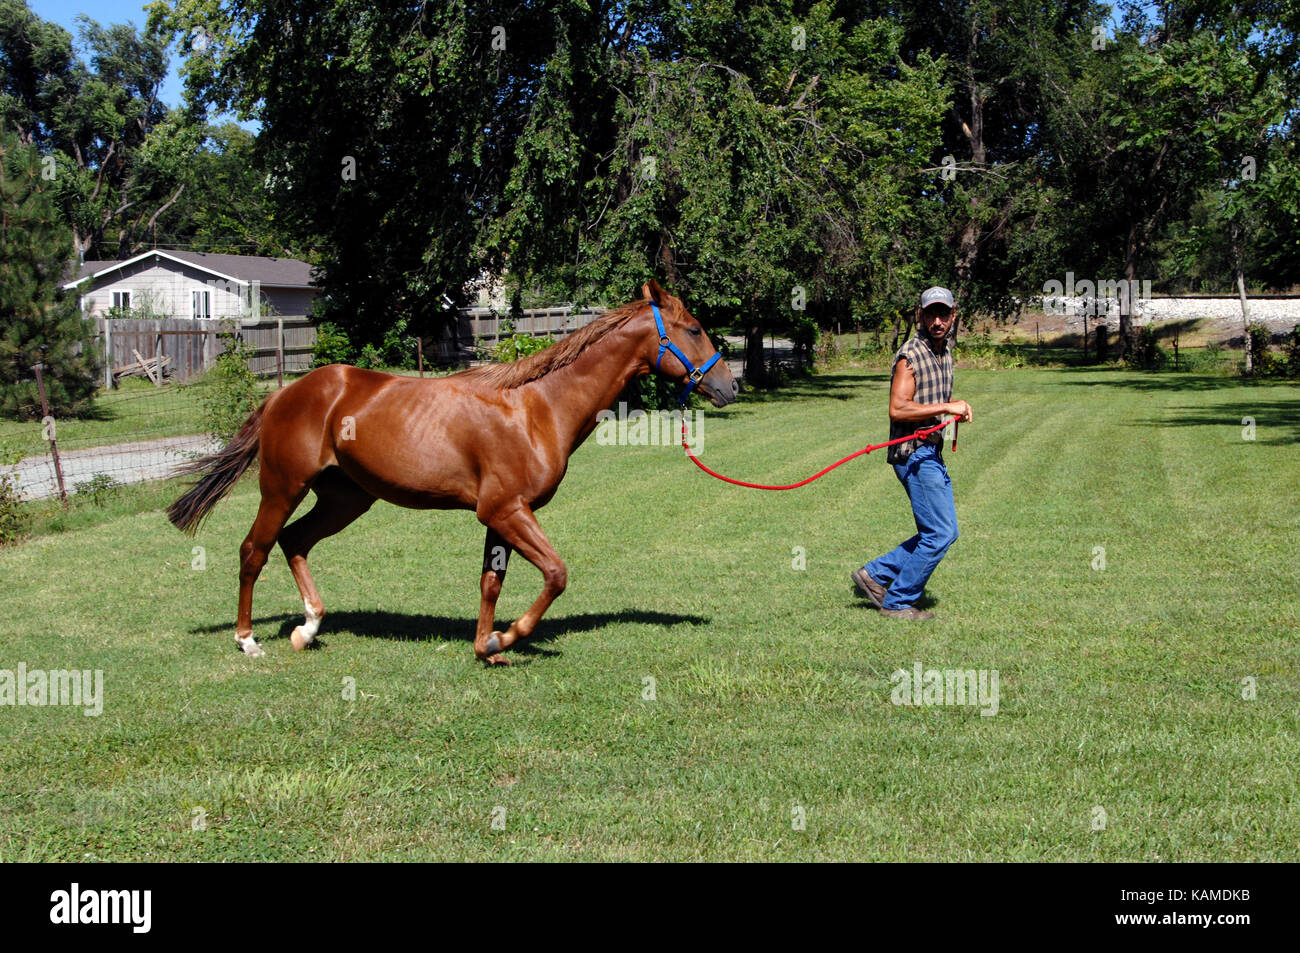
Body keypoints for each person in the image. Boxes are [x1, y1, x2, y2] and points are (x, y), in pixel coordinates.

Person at [851, 286, 973, 620]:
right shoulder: (911, 354)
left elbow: (929, 401)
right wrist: (948, 406)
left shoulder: (943, 350)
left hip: (931, 453)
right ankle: (897, 601)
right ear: (919, 315)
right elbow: (898, 408)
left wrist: (951, 411)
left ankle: (875, 575)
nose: (937, 320)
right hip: (913, 454)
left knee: (940, 531)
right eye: (931, 313)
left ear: (952, 315)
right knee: (941, 533)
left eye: (943, 313)